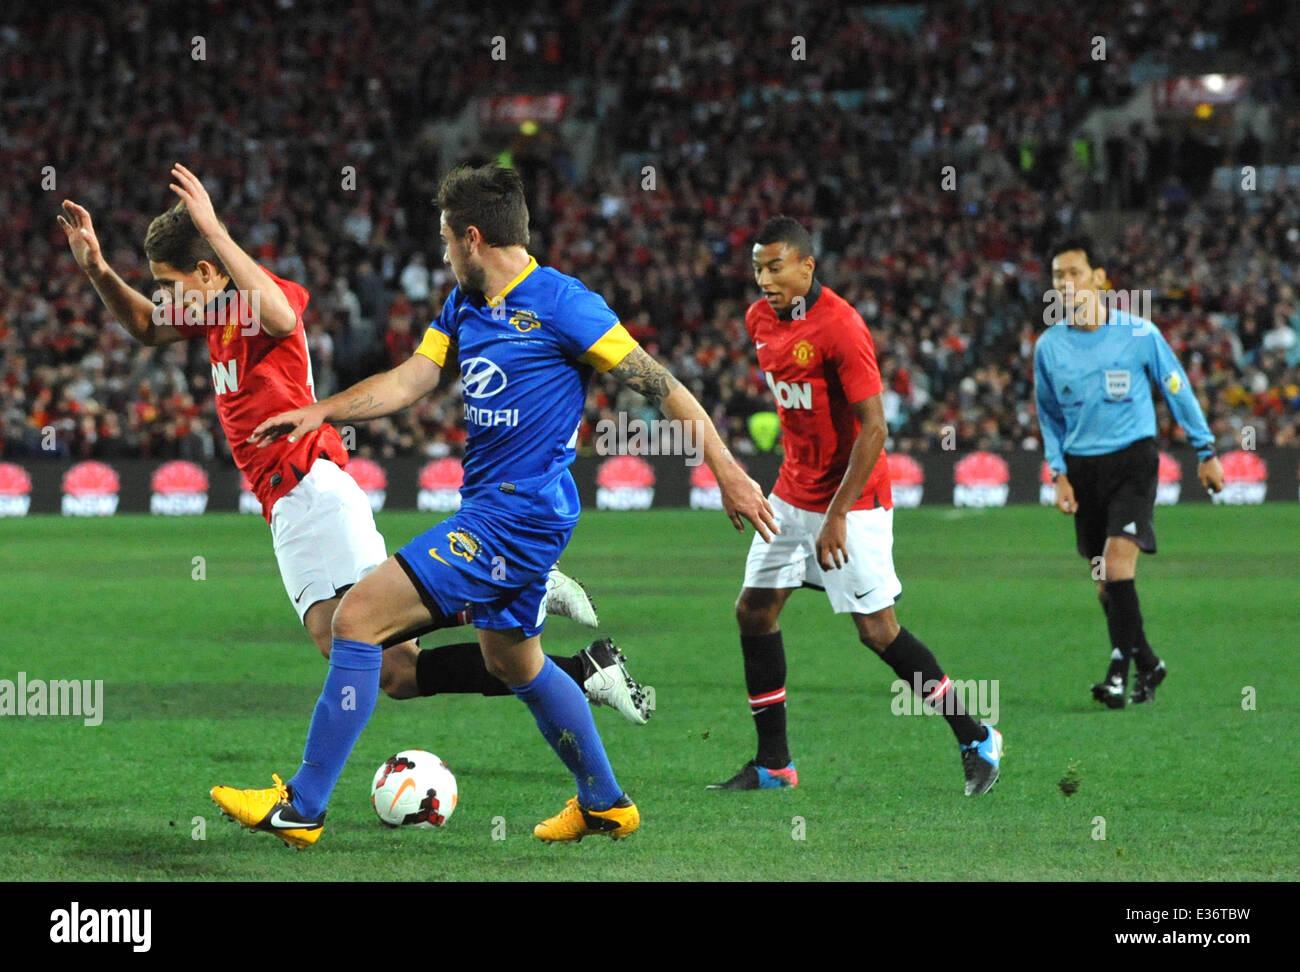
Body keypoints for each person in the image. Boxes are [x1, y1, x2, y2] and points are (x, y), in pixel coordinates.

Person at [213, 164, 775, 847]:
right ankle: (605, 802)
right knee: (514, 662)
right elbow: (413, 378)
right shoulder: (464, 306)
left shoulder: (565, 304)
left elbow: (661, 387)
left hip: (516, 517)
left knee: (357, 621)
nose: (445, 255)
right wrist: (321, 410)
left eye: (448, 241)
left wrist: (728, 470)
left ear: (473, 238)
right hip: (494, 509)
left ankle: (302, 808)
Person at [58, 166, 650, 726]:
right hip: (288, 500)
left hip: (309, 486)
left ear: (211, 273)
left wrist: (215, 230)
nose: (163, 297)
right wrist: (97, 270)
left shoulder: (256, 300)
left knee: (355, 635)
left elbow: (284, 317)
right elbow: (143, 327)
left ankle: (512, 588)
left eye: (168, 283)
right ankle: (578, 662)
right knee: (397, 671)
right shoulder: (214, 312)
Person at [710, 215, 1003, 796]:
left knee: (877, 631)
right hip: (791, 494)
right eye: (756, 269)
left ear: (806, 265)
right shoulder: (758, 321)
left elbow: (875, 429)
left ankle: (976, 736)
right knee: (753, 612)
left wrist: (839, 513)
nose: (764, 280)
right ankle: (774, 765)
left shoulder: (842, 327)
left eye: (775, 267)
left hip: (856, 500)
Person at [1035, 237, 1224, 708]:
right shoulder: (1049, 347)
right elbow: (1049, 417)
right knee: (1106, 586)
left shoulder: (1139, 334)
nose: (1065, 284)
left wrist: (1206, 449)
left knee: (1118, 566)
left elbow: (1176, 387)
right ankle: (1150, 664)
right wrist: (1059, 473)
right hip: (1083, 470)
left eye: (1074, 273)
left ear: (1099, 279)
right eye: (1058, 276)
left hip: (1132, 462)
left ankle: (1118, 671)